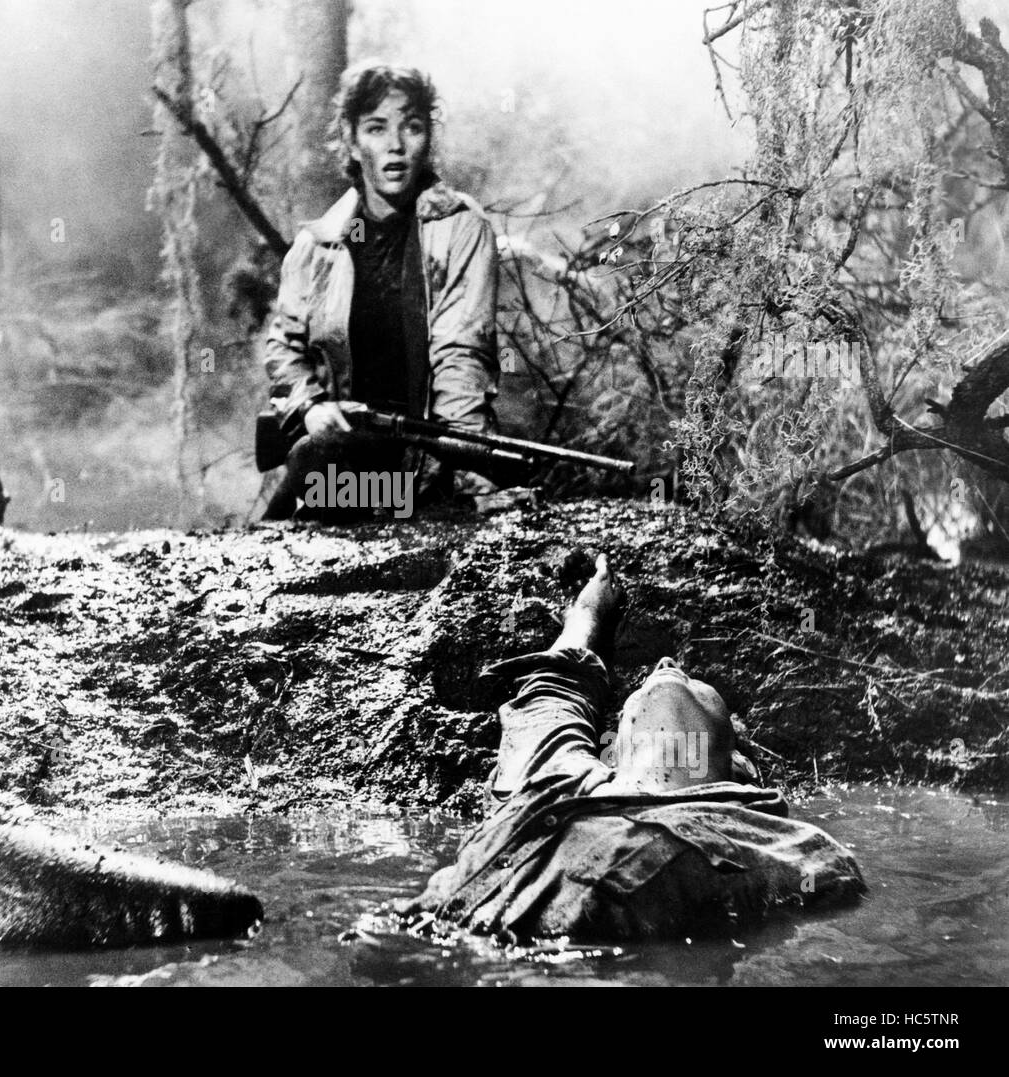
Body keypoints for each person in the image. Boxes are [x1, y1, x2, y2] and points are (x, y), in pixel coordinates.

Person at [399, 553, 866, 943]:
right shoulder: (557, 773)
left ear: (740, 767)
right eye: (638, 694)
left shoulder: (796, 851)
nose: (666, 663)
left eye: (690, 677)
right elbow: (555, 687)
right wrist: (592, 611)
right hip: (414, 939)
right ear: (615, 753)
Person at [261, 62, 503, 521]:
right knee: (318, 463)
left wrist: (463, 465)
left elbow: (462, 354)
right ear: (351, 140)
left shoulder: (460, 230)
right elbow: (283, 346)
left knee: (327, 484)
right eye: (376, 128)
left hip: (427, 462)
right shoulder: (319, 244)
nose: (395, 146)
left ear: (428, 137)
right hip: (345, 456)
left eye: (411, 127)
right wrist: (310, 407)